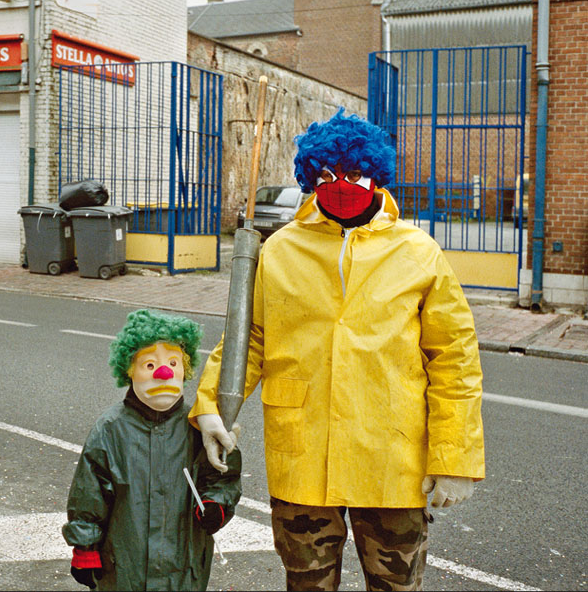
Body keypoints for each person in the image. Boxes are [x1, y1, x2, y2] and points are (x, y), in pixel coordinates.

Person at [189, 109, 485, 591]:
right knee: (305, 584)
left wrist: (454, 460)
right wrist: (210, 407)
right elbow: (250, 338)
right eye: (325, 175)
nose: (340, 185)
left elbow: (454, 359)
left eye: (351, 174)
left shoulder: (418, 252)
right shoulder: (282, 249)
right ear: (310, 177)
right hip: (303, 456)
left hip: (392, 458)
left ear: (375, 174)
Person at [63, 309, 242, 591]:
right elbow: (89, 492)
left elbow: (222, 475)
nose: (163, 372)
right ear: (129, 369)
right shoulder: (110, 429)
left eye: (173, 362)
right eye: (149, 365)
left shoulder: (198, 427)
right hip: (124, 566)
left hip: (184, 565)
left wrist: (216, 504)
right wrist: (84, 547)